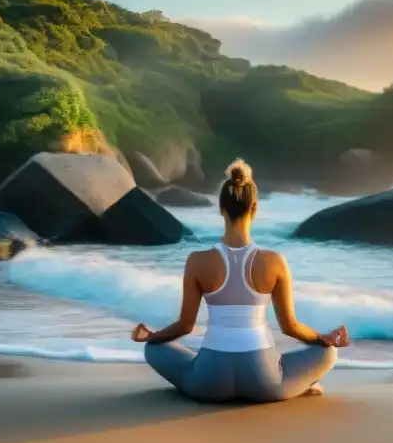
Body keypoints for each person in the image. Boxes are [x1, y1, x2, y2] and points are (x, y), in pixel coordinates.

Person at [131, 158, 348, 402]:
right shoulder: (275, 261)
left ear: (221, 208)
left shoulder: (197, 261)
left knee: (153, 349)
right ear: (254, 207)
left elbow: (185, 326)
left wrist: (153, 336)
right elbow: (290, 327)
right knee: (328, 354)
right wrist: (323, 338)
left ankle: (192, 379)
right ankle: (297, 385)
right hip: (265, 383)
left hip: (208, 383)